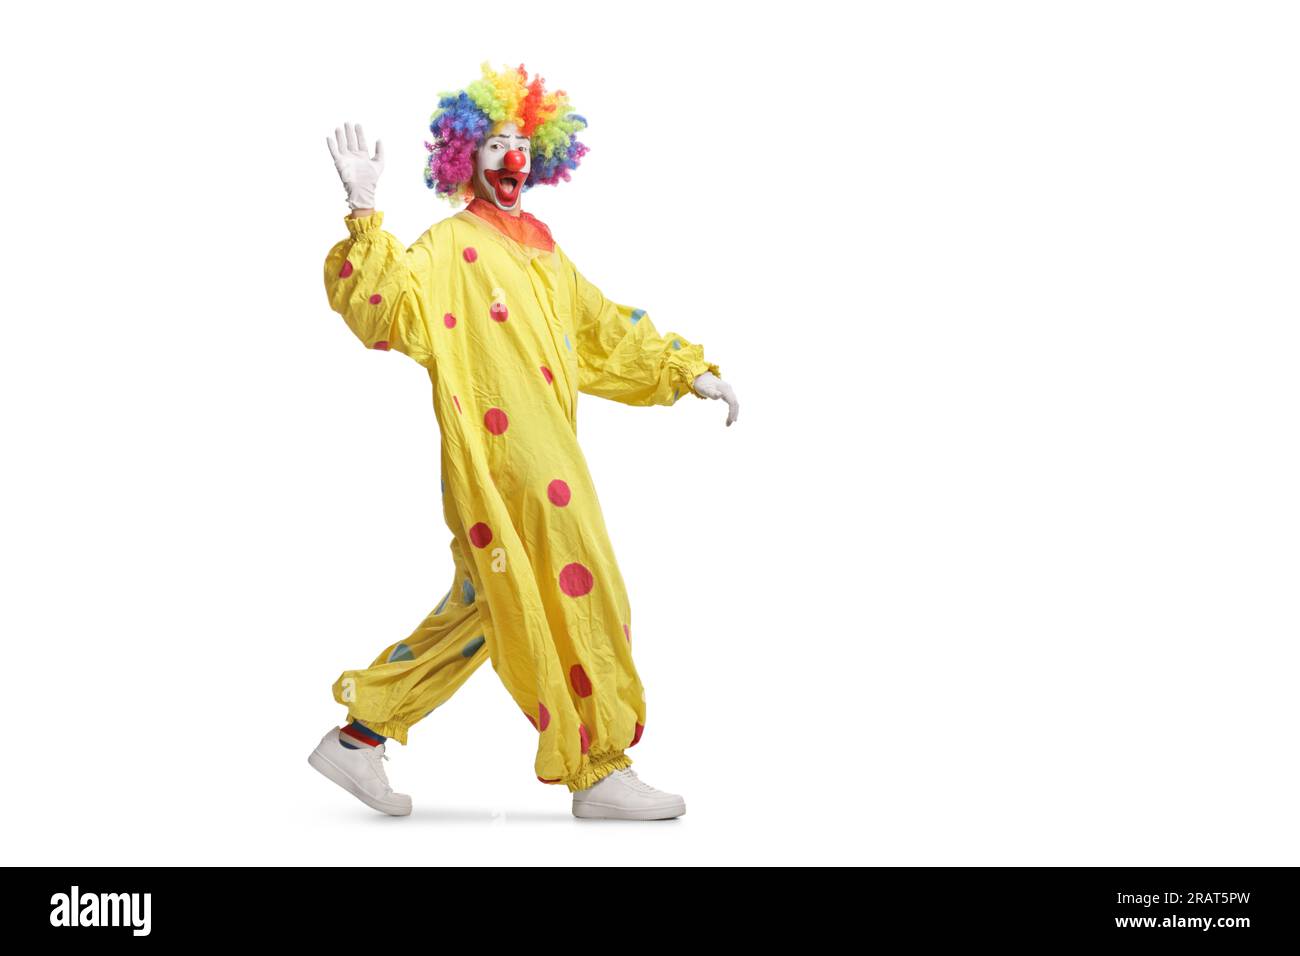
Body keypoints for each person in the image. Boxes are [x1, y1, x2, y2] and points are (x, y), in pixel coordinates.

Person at [307, 62, 739, 821]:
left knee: (493, 600)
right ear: (465, 156)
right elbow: (387, 312)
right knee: (572, 584)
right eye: (496, 140)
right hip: (504, 461)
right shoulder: (448, 245)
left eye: (521, 140)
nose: (512, 154)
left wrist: (683, 371)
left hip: (550, 454)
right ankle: (598, 766)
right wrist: (364, 211)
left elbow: (601, 329)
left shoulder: (541, 247)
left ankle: (359, 737)